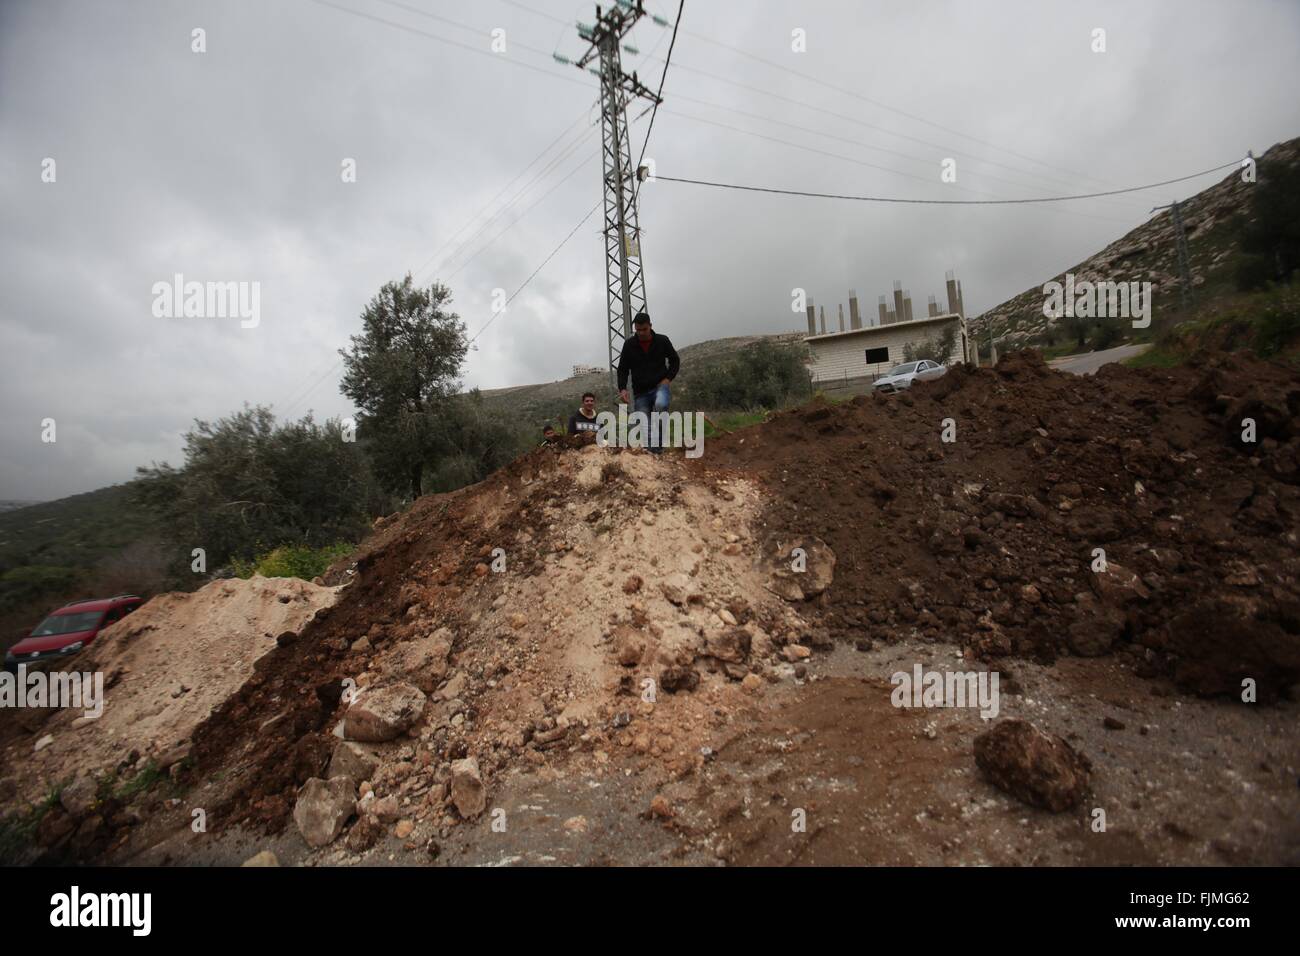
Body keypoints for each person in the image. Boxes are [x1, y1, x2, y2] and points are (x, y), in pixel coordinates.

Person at [617, 311, 679, 453]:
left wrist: (668, 379)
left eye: (644, 329)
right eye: (638, 330)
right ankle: (654, 452)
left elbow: (675, 360)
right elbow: (622, 369)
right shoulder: (629, 345)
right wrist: (623, 389)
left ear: (650, 326)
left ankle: (658, 446)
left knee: (660, 405)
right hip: (640, 392)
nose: (641, 333)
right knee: (645, 422)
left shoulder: (662, 340)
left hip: (660, 386)